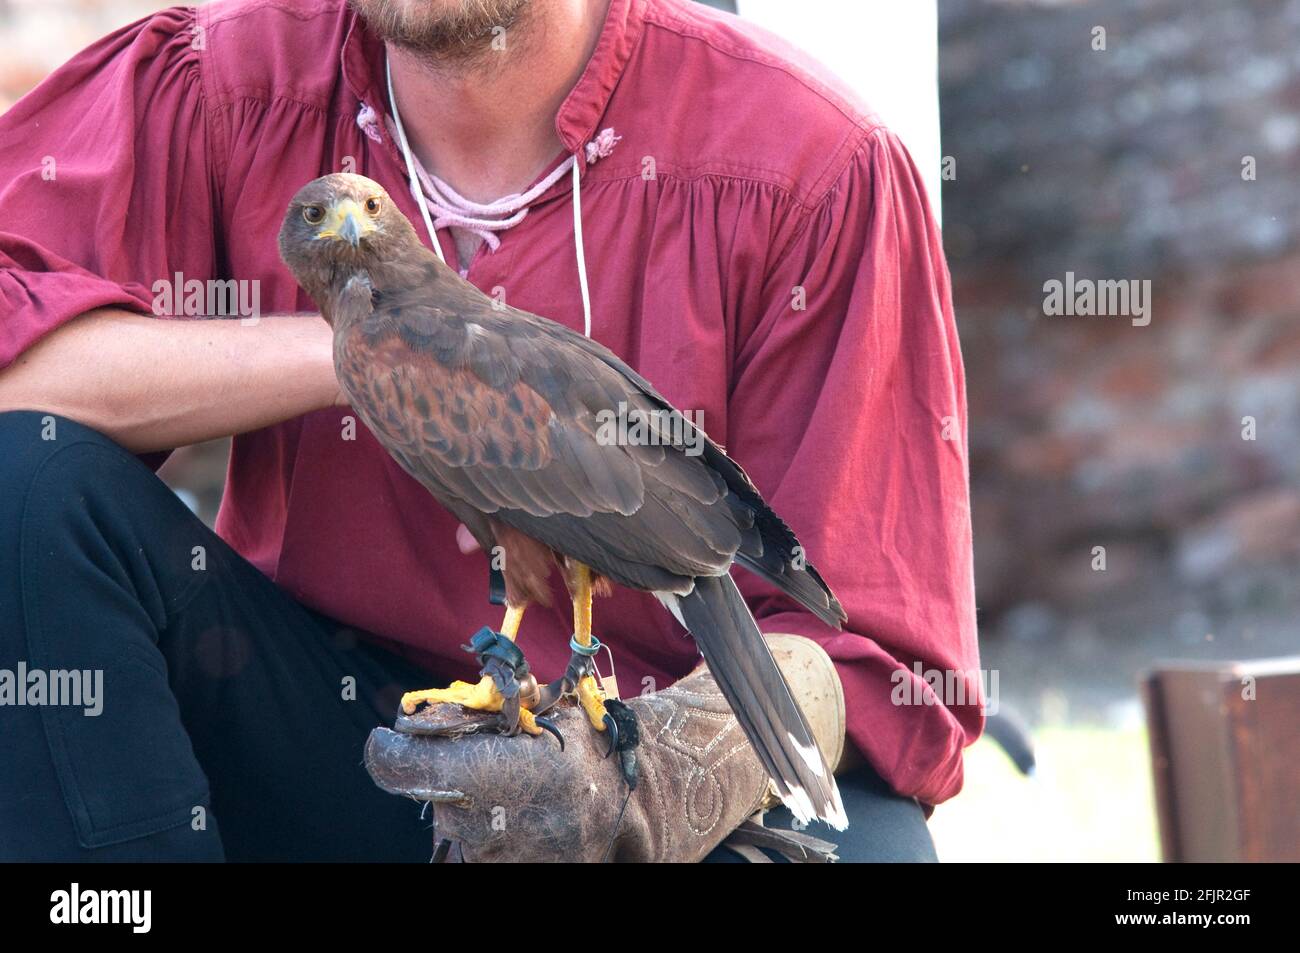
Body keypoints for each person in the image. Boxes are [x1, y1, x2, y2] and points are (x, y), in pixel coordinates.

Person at [0, 0, 978, 861]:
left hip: (639, 744)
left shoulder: (807, 164)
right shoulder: (219, 81)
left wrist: (645, 787)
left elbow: (875, 651)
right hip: (323, 735)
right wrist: (369, 350)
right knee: (26, 486)